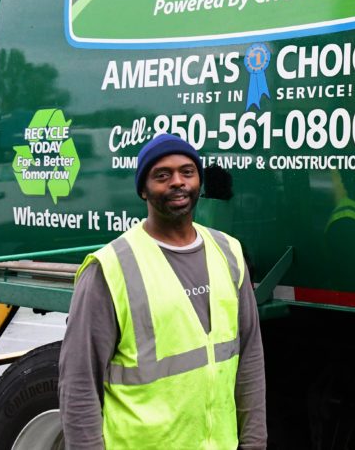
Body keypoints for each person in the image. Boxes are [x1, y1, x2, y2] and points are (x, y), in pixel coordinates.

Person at [59, 134, 266, 449]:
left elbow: (249, 357)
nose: (177, 182)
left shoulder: (229, 252)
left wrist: (253, 442)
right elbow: (78, 383)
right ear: (143, 189)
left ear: (199, 180)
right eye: (162, 175)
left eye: (187, 172)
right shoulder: (110, 268)